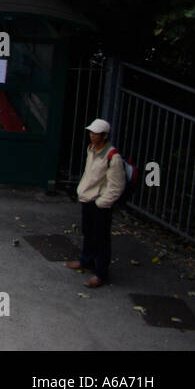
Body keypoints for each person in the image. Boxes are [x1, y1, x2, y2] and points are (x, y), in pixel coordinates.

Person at [65, 118, 126, 288]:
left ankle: (100, 273)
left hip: (100, 203)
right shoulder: (91, 149)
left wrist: (102, 202)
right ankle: (86, 261)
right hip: (88, 199)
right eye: (91, 132)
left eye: (96, 134)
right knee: (88, 232)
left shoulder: (113, 158)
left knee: (101, 239)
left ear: (105, 136)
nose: (92, 136)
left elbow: (116, 185)